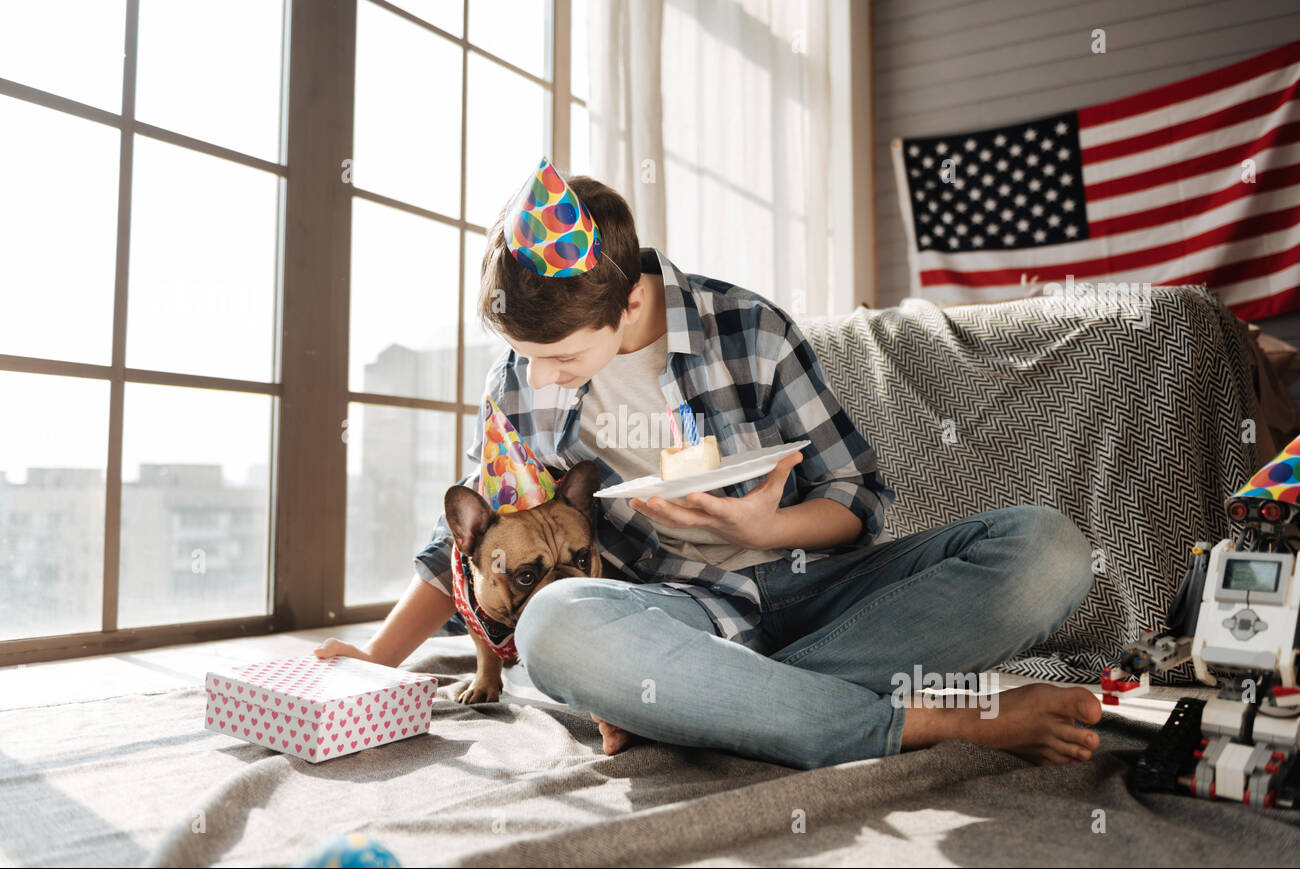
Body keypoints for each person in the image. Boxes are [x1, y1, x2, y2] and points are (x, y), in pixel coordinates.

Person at [316, 158, 1102, 770]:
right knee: (555, 624)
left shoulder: (749, 330)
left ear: (627, 307)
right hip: (673, 610)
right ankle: (927, 722)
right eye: (524, 356)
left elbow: (858, 496)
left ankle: (706, 699)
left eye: (559, 356)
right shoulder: (521, 385)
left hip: (822, 591)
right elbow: (462, 541)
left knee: (1048, 550)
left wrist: (767, 520)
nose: (540, 375)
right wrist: (375, 661)